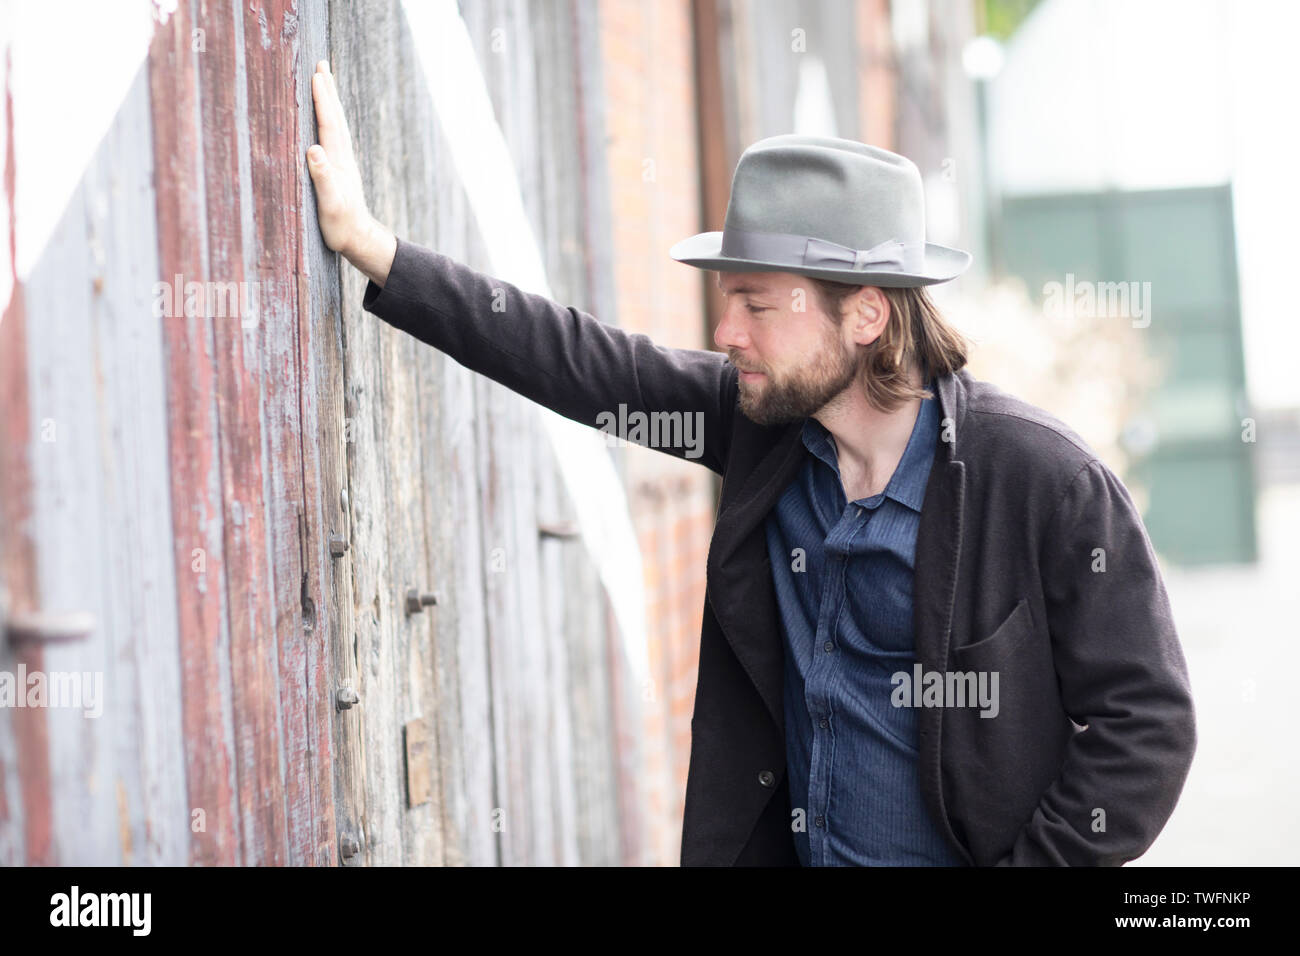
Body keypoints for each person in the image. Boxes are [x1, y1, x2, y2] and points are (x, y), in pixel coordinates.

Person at [305, 60, 1196, 866]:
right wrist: (371, 245)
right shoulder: (761, 426)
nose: (726, 334)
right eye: (727, 303)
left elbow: (1145, 726)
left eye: (758, 307)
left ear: (868, 315)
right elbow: (575, 359)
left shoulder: (1041, 480)